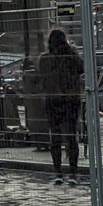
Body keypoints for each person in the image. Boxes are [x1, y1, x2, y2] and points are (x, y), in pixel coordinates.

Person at [37, 28, 85, 184]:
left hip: (52, 99)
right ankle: (73, 172)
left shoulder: (44, 59)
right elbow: (82, 69)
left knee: (55, 137)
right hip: (71, 98)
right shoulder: (72, 57)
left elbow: (42, 76)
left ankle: (58, 172)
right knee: (71, 136)